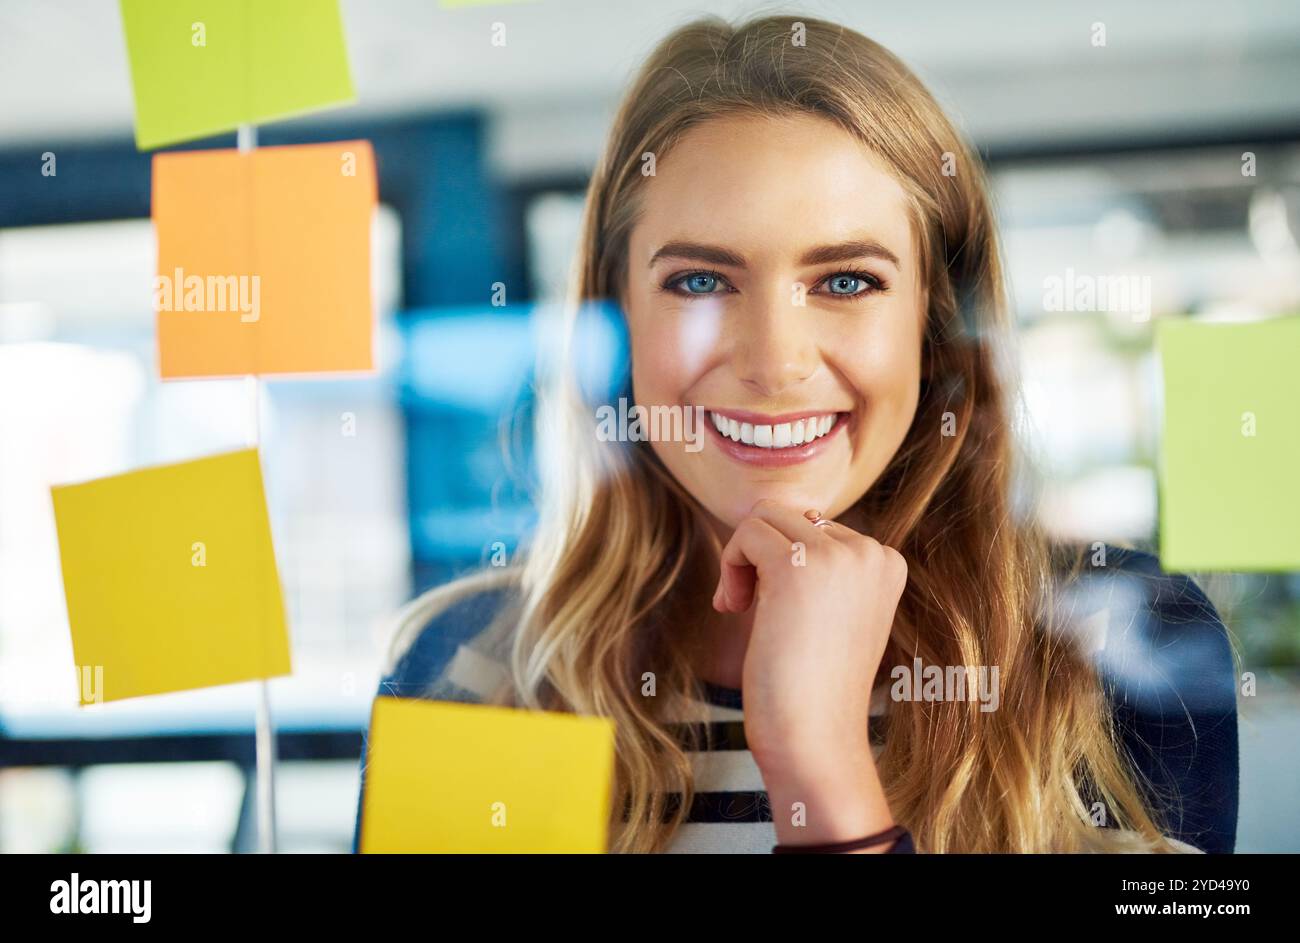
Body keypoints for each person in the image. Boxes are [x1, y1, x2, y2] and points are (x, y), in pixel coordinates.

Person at [355, 13, 1238, 854]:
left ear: (930, 331)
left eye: (847, 281)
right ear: (619, 313)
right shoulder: (466, 668)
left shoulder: (1115, 649)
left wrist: (822, 769)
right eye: (700, 282)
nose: (774, 364)